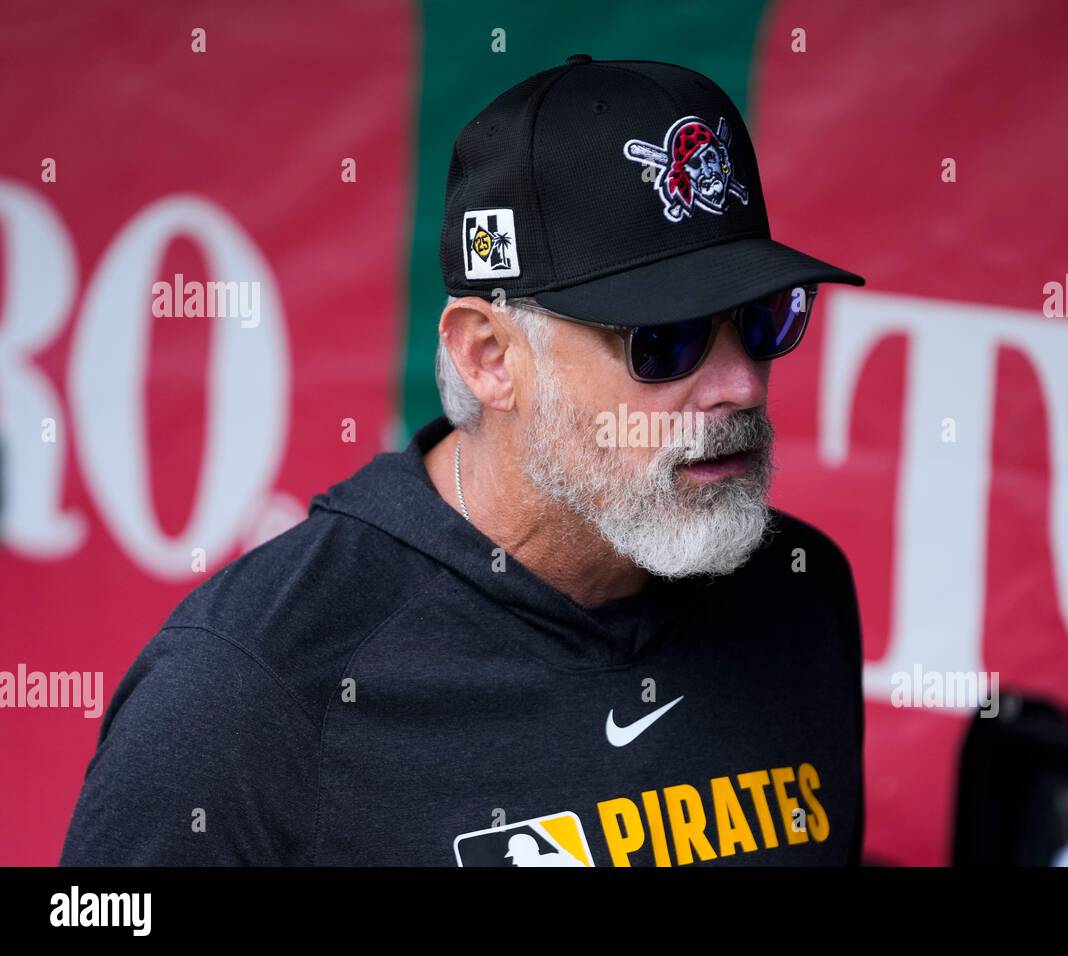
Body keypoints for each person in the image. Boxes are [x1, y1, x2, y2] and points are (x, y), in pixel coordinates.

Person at [60, 54, 866, 867]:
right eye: (664, 342)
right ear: (489, 357)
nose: (738, 385)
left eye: (763, 320)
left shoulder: (801, 595)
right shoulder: (246, 689)